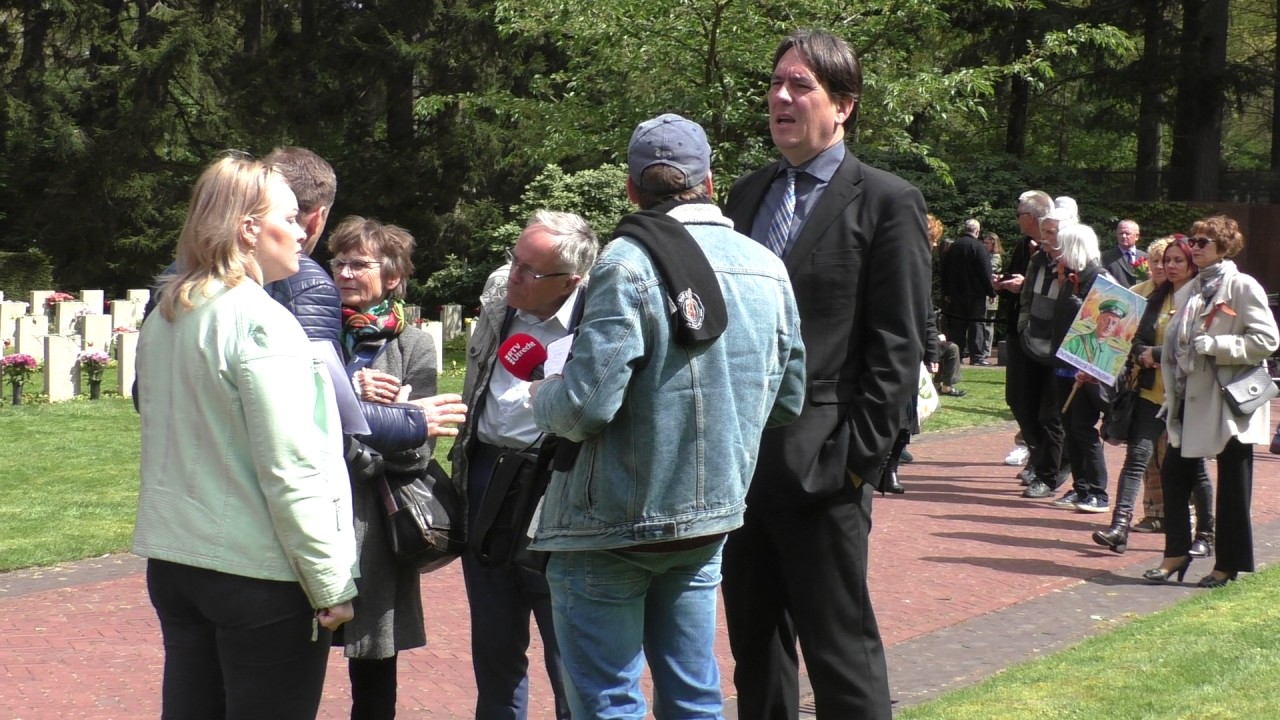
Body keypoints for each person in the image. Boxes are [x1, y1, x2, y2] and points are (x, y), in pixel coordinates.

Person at [528, 113, 806, 718]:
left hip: (609, 524)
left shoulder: (625, 262)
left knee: (608, 701)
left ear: (632, 188)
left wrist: (541, 391)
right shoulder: (767, 265)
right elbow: (787, 400)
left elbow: (583, 408)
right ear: (710, 182)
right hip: (710, 517)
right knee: (694, 694)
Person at [720, 30, 931, 719]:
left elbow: (897, 345)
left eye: (800, 85)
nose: (781, 97)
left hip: (826, 469)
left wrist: (855, 463)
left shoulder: (887, 201)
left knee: (841, 658)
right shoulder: (747, 196)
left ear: (843, 105)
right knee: (756, 655)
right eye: (775, 83)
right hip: (739, 467)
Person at [133, 154, 357, 718]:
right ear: (250, 228)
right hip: (257, 573)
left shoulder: (168, 313)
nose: (303, 232)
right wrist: (330, 582)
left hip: (178, 562)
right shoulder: (262, 322)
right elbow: (292, 466)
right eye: (290, 217)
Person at [453, 210, 596, 720]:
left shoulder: (598, 316)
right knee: (494, 646)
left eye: (529, 271)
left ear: (571, 281)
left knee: (569, 651)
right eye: (514, 259)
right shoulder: (499, 292)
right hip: (487, 476)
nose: (512, 275)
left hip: (558, 486)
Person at [328, 216, 466, 719]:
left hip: (374, 522)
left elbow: (417, 452)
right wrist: (359, 394)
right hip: (312, 509)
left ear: (391, 277)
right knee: (294, 650)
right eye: (339, 262)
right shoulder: (315, 334)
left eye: (358, 264)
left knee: (372, 664)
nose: (345, 273)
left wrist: (377, 429)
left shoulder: (414, 346)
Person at [1146, 215, 1279, 587]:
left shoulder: (1242, 285)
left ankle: (1228, 564)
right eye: (1194, 240)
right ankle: (1175, 553)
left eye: (1203, 241)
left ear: (1224, 247)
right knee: (1174, 473)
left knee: (1233, 482)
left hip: (1228, 401)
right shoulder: (1191, 288)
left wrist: (1218, 345)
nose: (1195, 247)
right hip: (1190, 397)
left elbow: (1267, 340)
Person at [1093, 236, 1211, 553]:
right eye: (1165, 260)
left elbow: (1197, 344)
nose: (1169, 266)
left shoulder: (1202, 298)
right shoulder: (1155, 298)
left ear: (1192, 264)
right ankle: (1119, 528)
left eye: (1177, 261)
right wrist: (1140, 353)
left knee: (1196, 468)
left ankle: (1205, 535)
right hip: (1150, 392)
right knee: (1136, 459)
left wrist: (1157, 354)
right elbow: (1134, 338)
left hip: (1187, 396)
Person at [1042, 222, 1114, 513]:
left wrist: (1092, 368)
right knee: (1071, 428)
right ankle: (1081, 486)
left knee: (1083, 428)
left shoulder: (1100, 280)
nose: (1058, 253)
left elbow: (1108, 330)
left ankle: (1098, 492)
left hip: (1085, 369)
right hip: (1064, 364)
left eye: (1063, 247)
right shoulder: (1074, 279)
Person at [1015, 203, 1072, 499]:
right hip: (1032, 342)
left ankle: (1048, 475)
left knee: (1051, 415)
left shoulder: (1076, 266)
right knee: (1024, 404)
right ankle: (1044, 462)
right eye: (1045, 231)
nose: (1045, 237)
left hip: (1060, 350)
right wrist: (1024, 326)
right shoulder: (1038, 260)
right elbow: (1027, 296)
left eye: (1052, 232)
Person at [998, 191, 1051, 476]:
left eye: (1019, 214)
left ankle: (1043, 461)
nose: (1016, 219)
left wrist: (1026, 283)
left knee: (1038, 401)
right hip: (1018, 329)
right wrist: (1003, 283)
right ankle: (1036, 451)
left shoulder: (1054, 249)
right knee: (1016, 397)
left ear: (1030, 217)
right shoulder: (1023, 245)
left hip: (1043, 336)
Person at [941, 218, 995, 365]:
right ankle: (977, 357)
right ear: (976, 231)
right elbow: (985, 272)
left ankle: (956, 356)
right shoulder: (979, 247)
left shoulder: (953, 247)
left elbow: (945, 271)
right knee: (977, 324)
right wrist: (991, 292)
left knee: (957, 325)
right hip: (976, 293)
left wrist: (946, 292)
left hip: (956, 293)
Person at [1060, 299, 1130, 373]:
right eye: (1106, 320)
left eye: (1113, 323)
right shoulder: (1077, 341)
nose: (1108, 326)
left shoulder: (1109, 356)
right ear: (1098, 319)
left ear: (1116, 327)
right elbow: (1060, 363)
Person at [1102, 219, 1146, 289]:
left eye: (1127, 233)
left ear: (1137, 236)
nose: (1124, 236)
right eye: (1121, 233)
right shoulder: (1105, 257)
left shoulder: (1145, 257)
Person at [982, 231, 1004, 362]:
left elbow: (990, 270)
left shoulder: (995, 257)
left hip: (991, 293)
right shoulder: (987, 255)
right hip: (985, 292)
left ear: (993, 243)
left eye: (987, 243)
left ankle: (986, 350)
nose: (984, 245)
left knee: (988, 323)